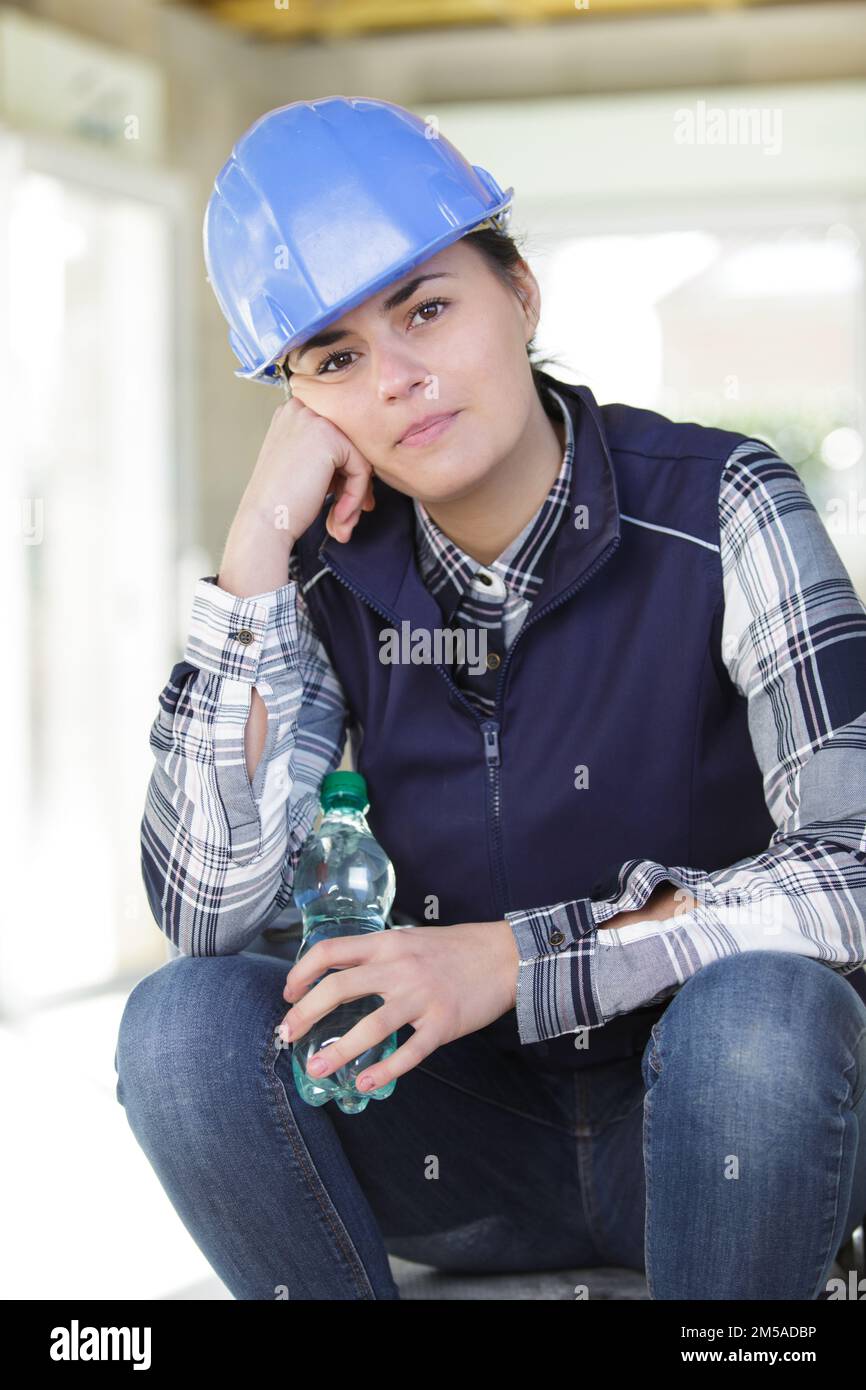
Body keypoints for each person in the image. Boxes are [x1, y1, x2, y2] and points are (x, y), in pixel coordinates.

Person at [115, 96, 866, 1301]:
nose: (399, 380)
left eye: (426, 308)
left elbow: (855, 868)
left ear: (519, 291)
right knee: (181, 1023)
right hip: (456, 1141)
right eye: (337, 357)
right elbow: (206, 913)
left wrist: (515, 962)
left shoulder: (724, 504)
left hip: (711, 1118)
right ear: (300, 403)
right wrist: (254, 547)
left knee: (766, 1015)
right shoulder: (315, 581)